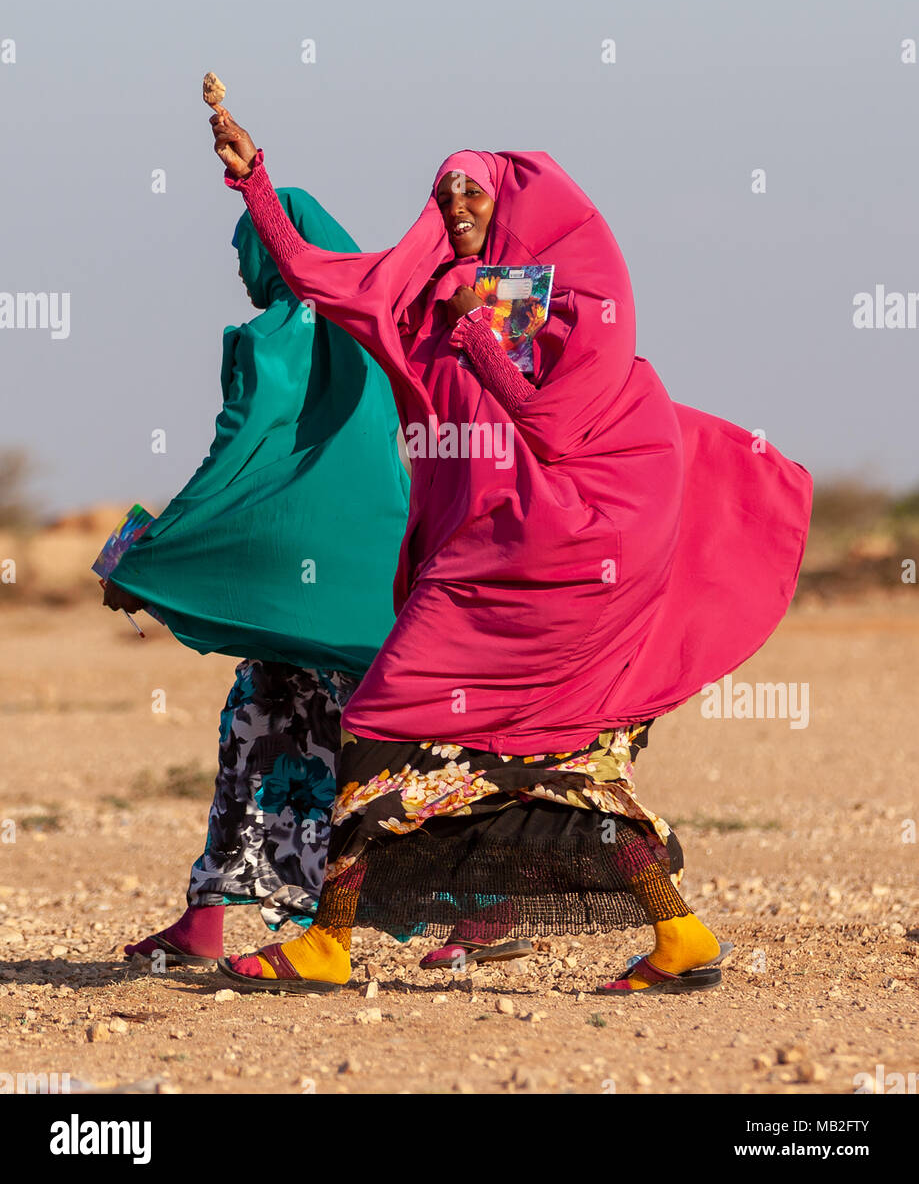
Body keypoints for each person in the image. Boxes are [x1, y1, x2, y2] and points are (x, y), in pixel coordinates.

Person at [208, 112, 812, 996]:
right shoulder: (424, 295)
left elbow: (555, 424)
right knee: (556, 755)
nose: (455, 207)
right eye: (445, 193)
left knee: (377, 722)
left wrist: (478, 332)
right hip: (503, 550)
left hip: (565, 545)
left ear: (507, 203)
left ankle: (328, 942)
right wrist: (253, 177)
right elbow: (316, 275)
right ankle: (679, 934)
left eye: (472, 193)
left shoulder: (563, 297)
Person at [101, 188, 410, 961]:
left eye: (248, 249)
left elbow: (236, 448)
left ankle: (353, 925)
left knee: (272, 730)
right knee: (301, 724)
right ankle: (216, 913)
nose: (244, 270)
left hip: (289, 570)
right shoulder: (378, 335)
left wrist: (156, 551)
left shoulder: (274, 334)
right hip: (375, 570)